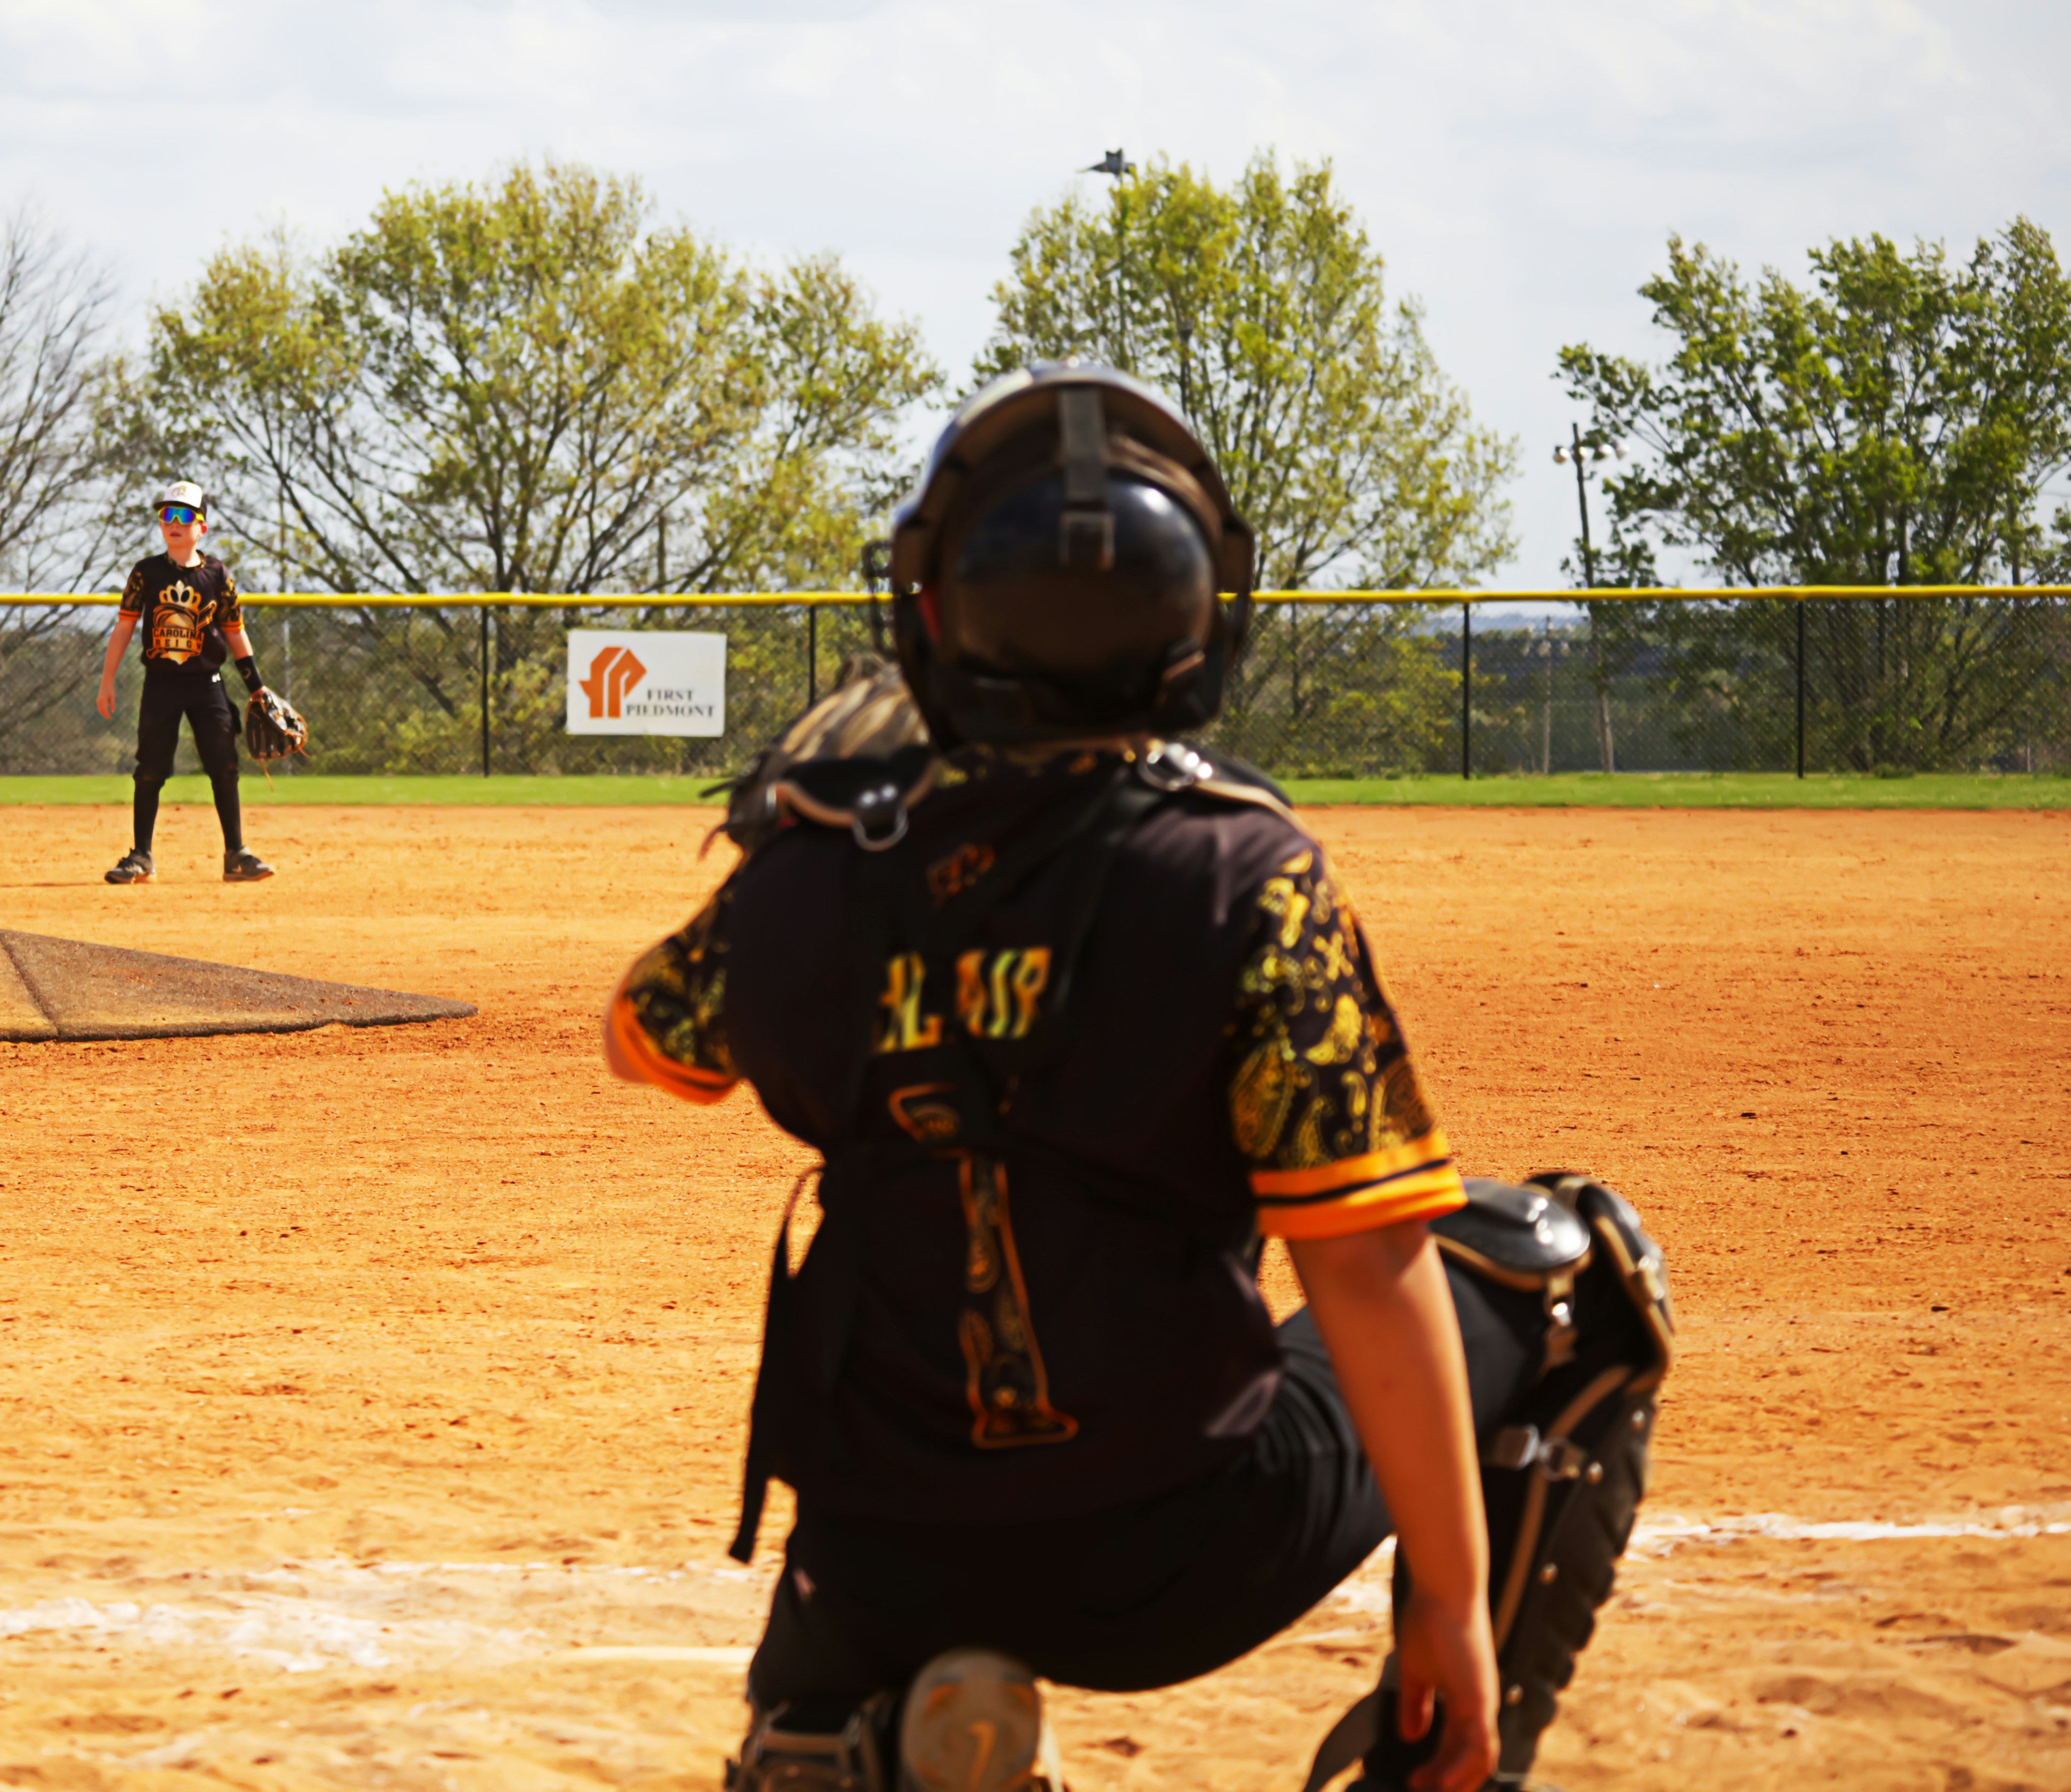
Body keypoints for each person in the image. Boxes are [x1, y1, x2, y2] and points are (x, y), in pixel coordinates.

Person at [605, 366, 1672, 1792]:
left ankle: (833, 1712)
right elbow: (1364, 1266)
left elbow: (648, 1040)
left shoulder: (817, 874)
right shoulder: (1244, 875)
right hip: (1172, 1549)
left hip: (882, 1543)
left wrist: (793, 836)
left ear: (926, 610)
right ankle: (1452, 1751)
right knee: (1574, 1267)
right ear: (1201, 625)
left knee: (881, 1488)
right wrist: (1444, 1600)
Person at [93, 480, 275, 884]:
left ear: (202, 527)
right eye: (167, 515)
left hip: (207, 683)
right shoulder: (146, 573)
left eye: (184, 515)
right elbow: (123, 629)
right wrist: (107, 681)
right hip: (161, 683)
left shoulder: (218, 575)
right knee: (150, 769)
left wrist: (256, 686)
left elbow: (235, 632)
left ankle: (236, 853)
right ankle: (141, 856)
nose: (174, 523)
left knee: (224, 766)